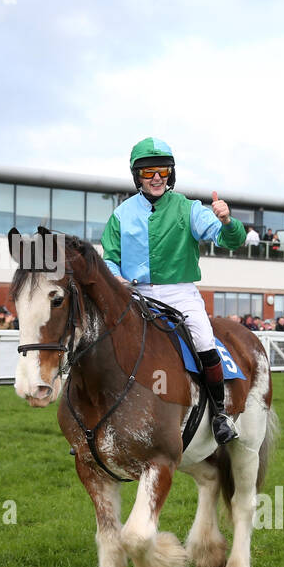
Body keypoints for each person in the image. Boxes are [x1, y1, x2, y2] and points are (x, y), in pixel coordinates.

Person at [101, 137, 246, 444]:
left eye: (163, 172)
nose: (156, 178)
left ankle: (219, 414)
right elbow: (110, 259)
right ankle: (100, 421)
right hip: (135, 295)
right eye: (149, 171)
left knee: (204, 340)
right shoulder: (120, 215)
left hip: (179, 294)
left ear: (171, 175)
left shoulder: (189, 209)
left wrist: (227, 221)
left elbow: (230, 240)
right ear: (137, 175)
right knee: (100, 342)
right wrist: (118, 281)